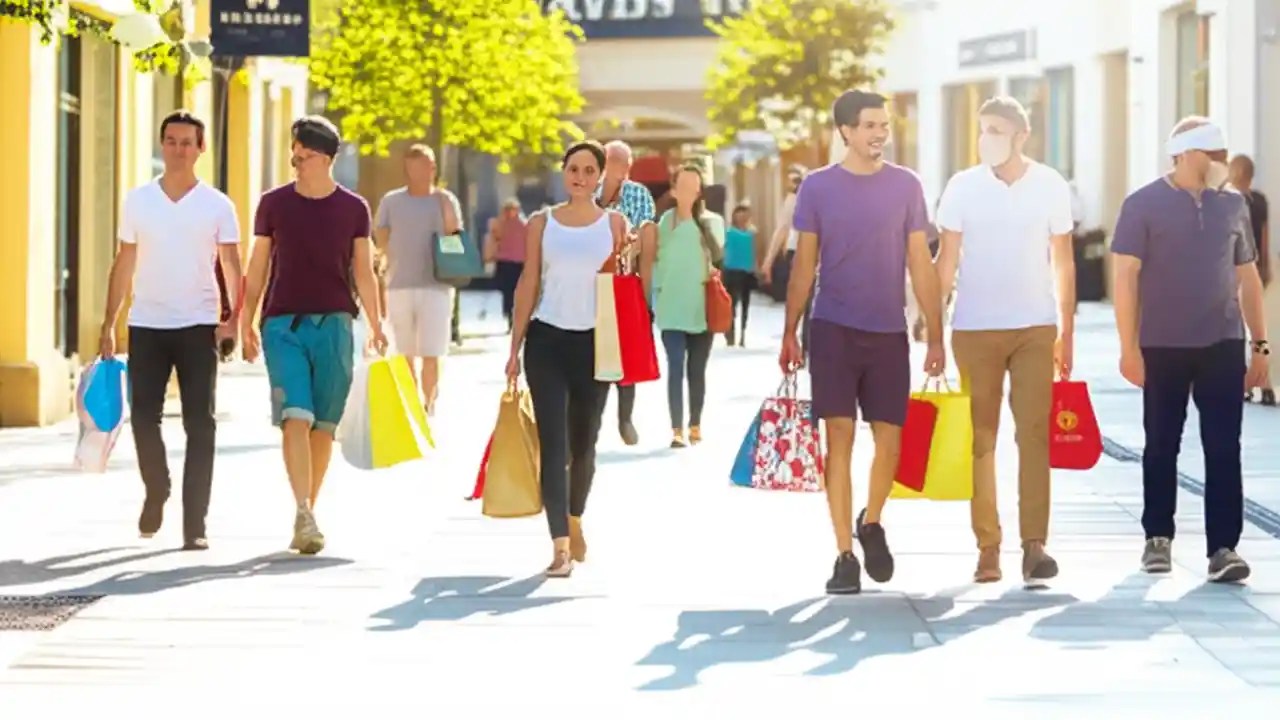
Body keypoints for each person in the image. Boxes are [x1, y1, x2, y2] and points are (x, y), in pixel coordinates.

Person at [779, 90, 945, 595]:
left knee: (889, 442)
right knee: (839, 442)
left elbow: (920, 261)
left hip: (888, 330)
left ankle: (870, 521)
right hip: (832, 328)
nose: (879, 133)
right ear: (846, 131)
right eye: (870, 125)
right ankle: (843, 555)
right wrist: (789, 329)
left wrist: (937, 333)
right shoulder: (817, 188)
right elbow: (805, 264)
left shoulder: (906, 186)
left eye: (884, 125)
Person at [1111, 117, 1267, 583]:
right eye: (1213, 156)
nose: (1221, 163)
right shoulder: (1142, 205)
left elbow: (1249, 279)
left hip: (1222, 342)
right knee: (1161, 443)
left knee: (1224, 446)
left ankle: (1224, 548)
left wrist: (1259, 345)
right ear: (1185, 155)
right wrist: (1128, 347)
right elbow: (1124, 279)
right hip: (1161, 344)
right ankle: (1157, 537)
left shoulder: (1233, 205)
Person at [934, 96, 1076, 587]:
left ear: (1021, 135)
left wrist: (1067, 330)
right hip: (974, 329)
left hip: (1035, 327)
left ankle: (1035, 546)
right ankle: (988, 547)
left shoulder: (1050, 185)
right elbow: (946, 263)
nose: (985, 139)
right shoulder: (962, 187)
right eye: (981, 129)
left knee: (1035, 435)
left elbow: (1064, 262)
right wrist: (933, 329)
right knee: (981, 440)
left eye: (995, 129)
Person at [241, 116, 387, 555]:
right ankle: (303, 509)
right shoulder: (273, 204)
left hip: (337, 325)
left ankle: (307, 512)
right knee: (295, 416)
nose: (296, 162)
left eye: (303, 156)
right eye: (294, 155)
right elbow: (258, 265)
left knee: (323, 427)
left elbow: (363, 269)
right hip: (282, 324)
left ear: (325, 158)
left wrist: (377, 326)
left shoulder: (354, 208)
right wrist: (244, 320)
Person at [99, 110, 242, 551]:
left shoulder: (218, 205)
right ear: (161, 145)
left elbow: (231, 265)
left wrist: (235, 319)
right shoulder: (138, 201)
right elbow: (124, 262)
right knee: (144, 417)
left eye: (187, 142)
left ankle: (194, 523)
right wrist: (109, 323)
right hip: (147, 323)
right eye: (172, 141)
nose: (179, 150)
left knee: (201, 424)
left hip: (198, 324)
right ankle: (157, 488)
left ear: (201, 149)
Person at [506, 140, 627, 577]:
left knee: (585, 445)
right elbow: (528, 283)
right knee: (554, 446)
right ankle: (558, 544)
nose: (580, 177)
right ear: (564, 173)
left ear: (601, 176)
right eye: (573, 169)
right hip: (547, 341)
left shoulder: (614, 224)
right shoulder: (542, 223)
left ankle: (575, 516)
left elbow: (624, 292)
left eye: (589, 170)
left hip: (595, 346)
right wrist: (515, 347)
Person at [373, 144, 463, 416]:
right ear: (407, 169)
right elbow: (380, 236)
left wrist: (445, 207)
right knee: (404, 351)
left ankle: (429, 403)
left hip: (437, 286)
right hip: (399, 284)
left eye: (428, 165)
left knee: (432, 351)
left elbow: (454, 242)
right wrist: (385, 261)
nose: (424, 171)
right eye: (417, 166)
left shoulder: (446, 200)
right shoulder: (392, 201)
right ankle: (412, 404)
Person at [653, 164, 725, 448]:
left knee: (697, 369)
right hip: (671, 307)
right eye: (682, 185)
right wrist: (652, 296)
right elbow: (655, 263)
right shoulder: (664, 223)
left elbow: (718, 258)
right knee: (675, 368)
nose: (688, 191)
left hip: (702, 307)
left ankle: (695, 423)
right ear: (673, 190)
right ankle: (676, 429)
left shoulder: (712, 222)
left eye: (694, 186)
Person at [597, 140, 657, 446]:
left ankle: (625, 418)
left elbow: (646, 235)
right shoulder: (590, 193)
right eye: (616, 161)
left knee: (627, 353)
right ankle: (591, 418)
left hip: (626, 279)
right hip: (594, 283)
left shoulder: (639, 194)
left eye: (625, 162)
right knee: (596, 352)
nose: (622, 168)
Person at [485, 198, 528, 331]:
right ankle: (512, 318)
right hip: (510, 263)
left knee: (511, 293)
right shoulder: (522, 225)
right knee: (511, 293)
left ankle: (512, 318)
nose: (510, 213)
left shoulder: (507, 224)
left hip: (513, 263)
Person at [722, 203, 759, 347]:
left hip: (745, 273)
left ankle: (742, 334)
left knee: (744, 304)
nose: (743, 218)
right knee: (731, 305)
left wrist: (757, 268)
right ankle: (730, 333)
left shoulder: (751, 234)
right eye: (740, 215)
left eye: (745, 215)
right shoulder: (729, 232)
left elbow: (755, 252)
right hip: (731, 271)